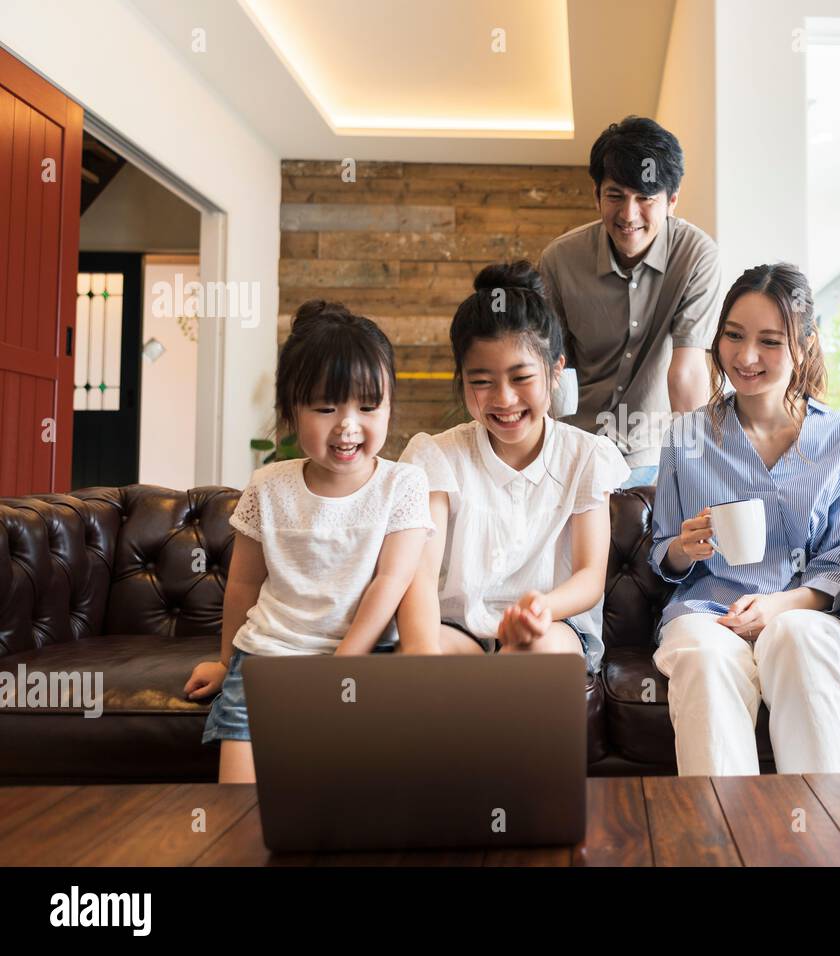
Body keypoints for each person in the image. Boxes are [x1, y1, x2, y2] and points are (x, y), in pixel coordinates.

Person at [184, 301, 434, 783]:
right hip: (267, 659)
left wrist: (341, 666)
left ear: (389, 406)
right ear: (290, 411)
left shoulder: (404, 485)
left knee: (357, 787)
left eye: (368, 406)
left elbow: (391, 580)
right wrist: (224, 662)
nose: (347, 425)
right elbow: (242, 586)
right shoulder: (268, 485)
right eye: (325, 408)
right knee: (237, 798)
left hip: (364, 660)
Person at [649, 263, 840, 776]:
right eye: (733, 336)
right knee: (705, 658)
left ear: (805, 345)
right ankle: (725, 843)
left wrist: (780, 606)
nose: (746, 356)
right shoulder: (686, 435)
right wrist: (684, 548)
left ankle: (824, 833)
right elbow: (662, 549)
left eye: (770, 342)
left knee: (793, 637)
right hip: (711, 612)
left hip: (804, 612)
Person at [395, 261, 629, 673]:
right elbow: (421, 572)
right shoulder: (436, 456)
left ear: (555, 370)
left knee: (528, 656)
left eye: (521, 377)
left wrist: (540, 608)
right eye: (481, 381)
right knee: (428, 657)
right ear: (461, 378)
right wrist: (420, 653)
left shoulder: (587, 456)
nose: (503, 399)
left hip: (554, 625)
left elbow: (591, 577)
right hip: (460, 627)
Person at [538, 116, 721, 488]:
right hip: (576, 452)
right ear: (596, 196)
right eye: (616, 196)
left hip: (652, 458)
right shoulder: (560, 260)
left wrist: (695, 473)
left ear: (672, 201)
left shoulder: (696, 255)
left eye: (645, 199)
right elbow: (551, 370)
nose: (628, 215)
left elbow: (686, 372)